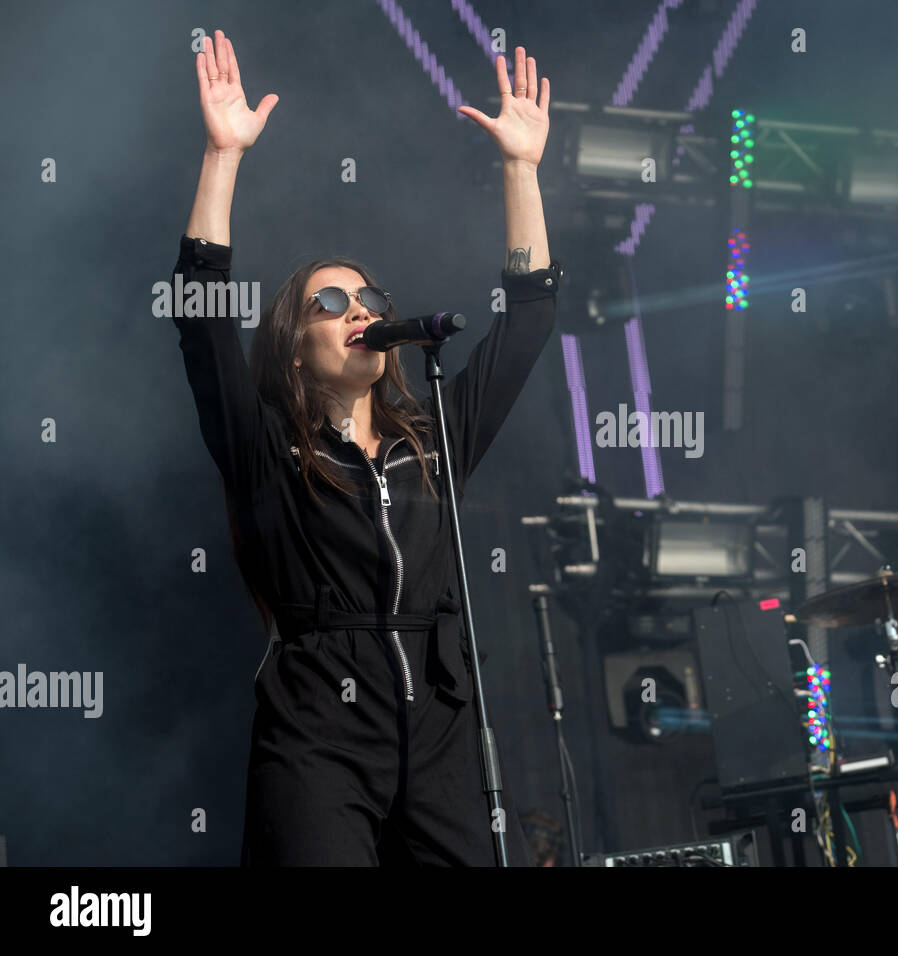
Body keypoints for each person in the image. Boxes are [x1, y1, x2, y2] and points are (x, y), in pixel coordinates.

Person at [170, 29, 560, 865]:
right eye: (330, 301)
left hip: (443, 724)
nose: (358, 309)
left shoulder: (432, 444)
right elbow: (200, 321)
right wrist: (222, 156)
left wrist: (521, 170)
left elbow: (527, 324)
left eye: (368, 297)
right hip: (319, 733)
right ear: (291, 346)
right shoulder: (267, 449)